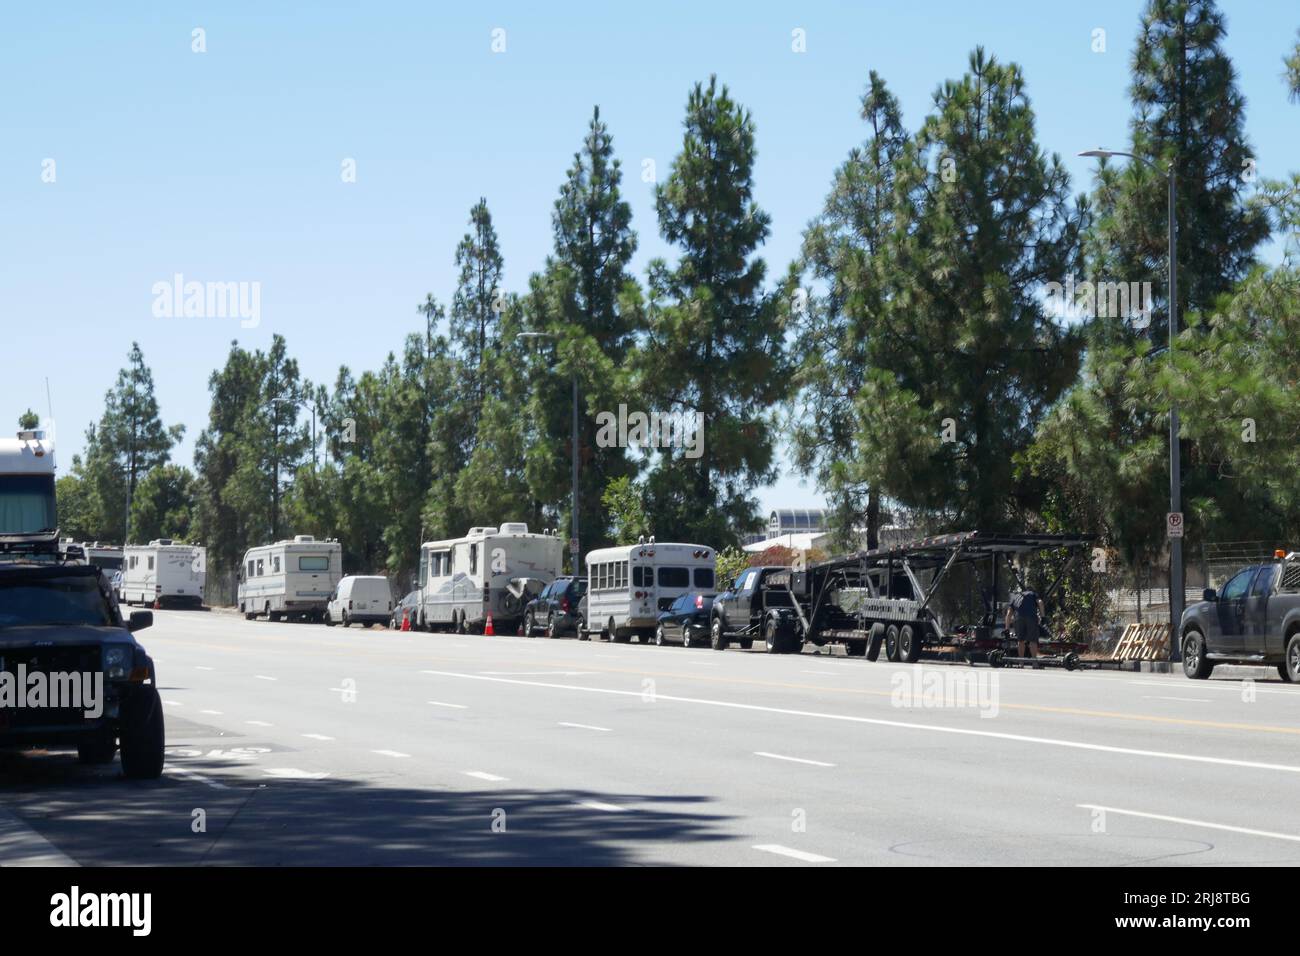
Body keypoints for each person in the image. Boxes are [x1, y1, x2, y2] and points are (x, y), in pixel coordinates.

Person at [1005, 585, 1041, 660]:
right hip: (1031, 617)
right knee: (1032, 640)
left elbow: (1008, 614)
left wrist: (1007, 628)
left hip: (1018, 618)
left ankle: (1021, 663)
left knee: (1020, 641)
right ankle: (1034, 663)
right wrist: (1043, 616)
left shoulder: (1015, 596)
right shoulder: (1032, 594)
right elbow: (1040, 602)